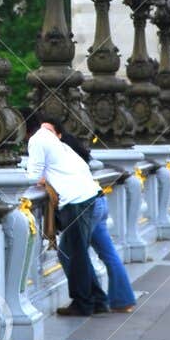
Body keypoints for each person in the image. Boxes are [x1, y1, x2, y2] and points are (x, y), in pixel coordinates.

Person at [25, 111, 107, 317]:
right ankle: (97, 299)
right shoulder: (51, 138)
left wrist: (40, 179)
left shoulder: (36, 140)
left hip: (76, 201)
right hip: (87, 195)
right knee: (73, 253)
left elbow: (32, 176)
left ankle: (83, 303)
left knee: (74, 255)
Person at [57, 125, 137, 312]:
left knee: (71, 253)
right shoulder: (70, 145)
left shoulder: (60, 148)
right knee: (105, 253)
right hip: (99, 200)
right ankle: (120, 300)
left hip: (86, 205)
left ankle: (88, 299)